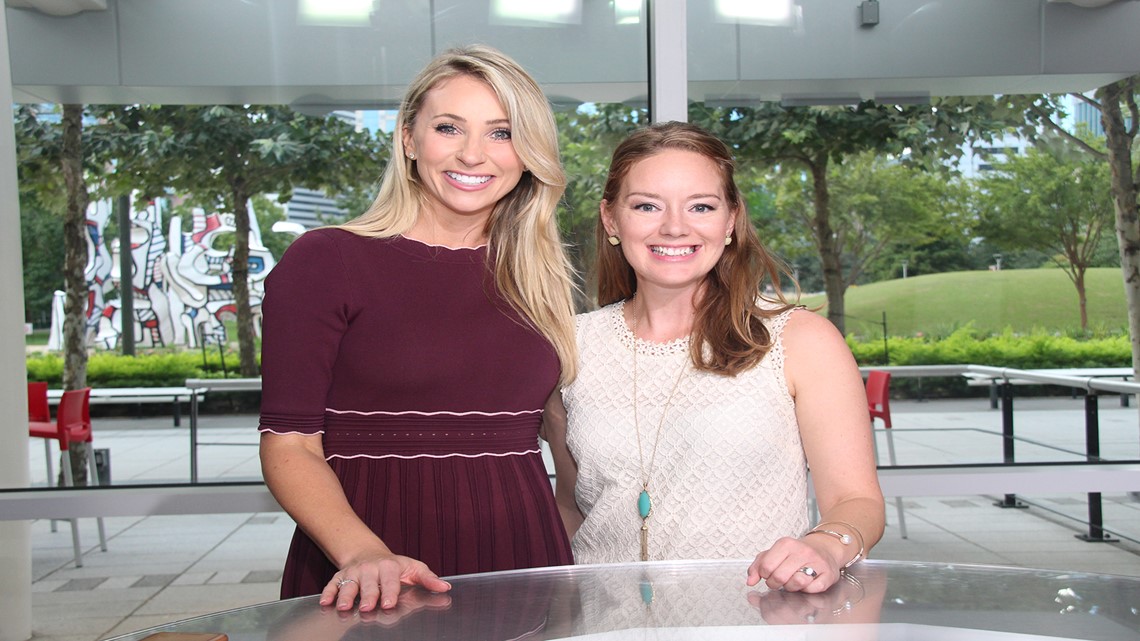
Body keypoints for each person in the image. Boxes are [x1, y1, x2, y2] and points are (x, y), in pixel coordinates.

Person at [259, 44, 579, 612]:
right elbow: (290, 445)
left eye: (502, 133)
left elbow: (563, 436)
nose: (473, 154)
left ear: (529, 152)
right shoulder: (326, 260)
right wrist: (364, 553)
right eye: (449, 127)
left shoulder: (541, 276)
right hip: (366, 566)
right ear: (409, 138)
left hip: (523, 559)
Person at [543, 121, 885, 593]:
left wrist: (827, 544)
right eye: (646, 206)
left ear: (730, 221)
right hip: (607, 617)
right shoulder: (571, 346)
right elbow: (571, 507)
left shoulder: (800, 340)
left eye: (701, 206)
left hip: (754, 614)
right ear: (611, 219)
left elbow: (857, 500)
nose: (675, 227)